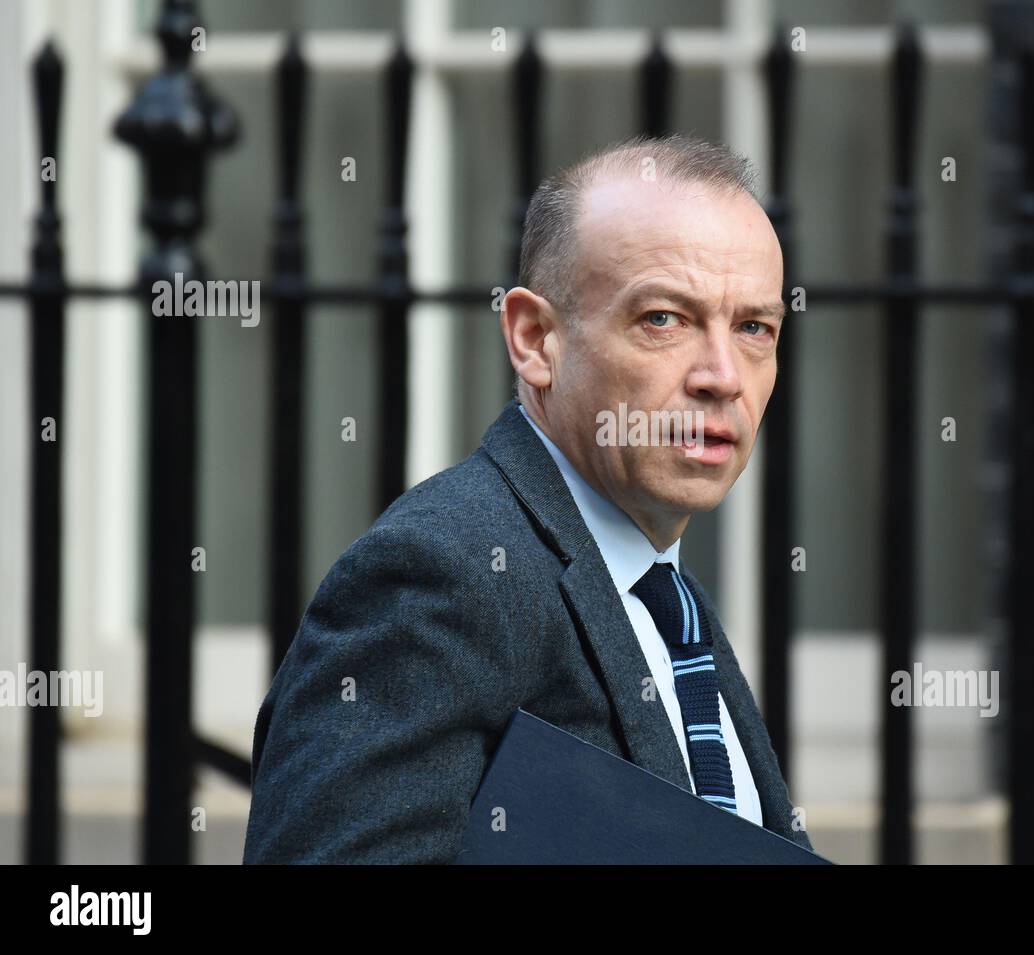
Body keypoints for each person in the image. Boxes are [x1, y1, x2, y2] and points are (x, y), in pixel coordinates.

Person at [242, 133, 811, 863]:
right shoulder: (441, 574)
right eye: (664, 318)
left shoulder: (670, 602)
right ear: (536, 338)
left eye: (754, 327)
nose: (722, 375)